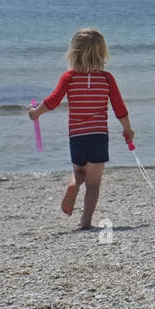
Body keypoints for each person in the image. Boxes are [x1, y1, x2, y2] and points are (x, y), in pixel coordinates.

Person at [29, 29, 133, 230]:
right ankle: (85, 221)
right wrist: (128, 129)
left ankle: (74, 184)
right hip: (99, 136)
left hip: (77, 136)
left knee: (79, 171)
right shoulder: (107, 79)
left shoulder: (69, 77)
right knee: (93, 184)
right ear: (102, 52)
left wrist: (36, 113)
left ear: (74, 52)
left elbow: (53, 100)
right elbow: (119, 108)